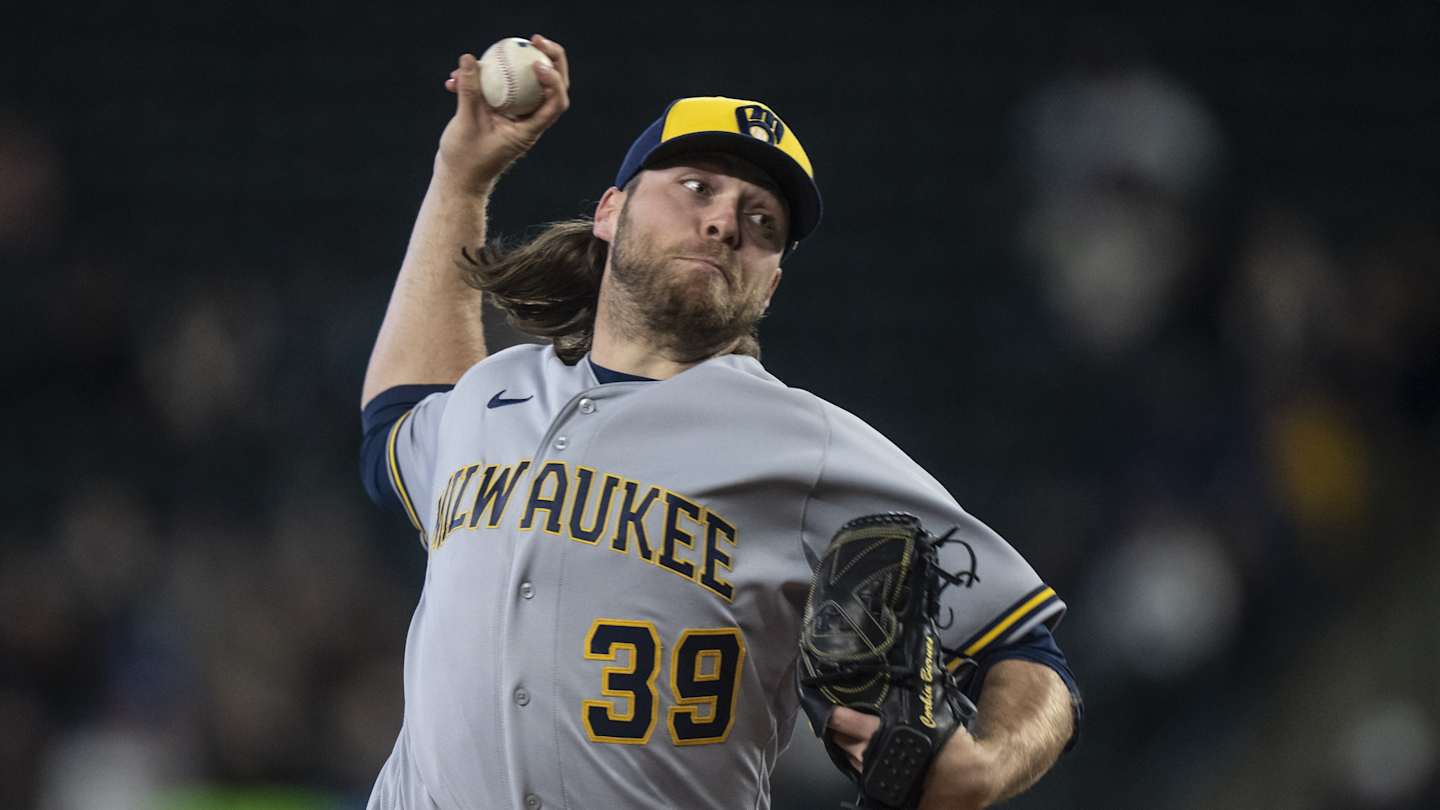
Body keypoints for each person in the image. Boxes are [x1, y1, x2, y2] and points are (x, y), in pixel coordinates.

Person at [358, 35, 1080, 810]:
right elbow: (396, 423)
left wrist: (988, 766)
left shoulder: (802, 442)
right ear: (610, 212)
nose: (725, 222)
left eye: (762, 221)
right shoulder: (494, 391)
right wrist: (462, 177)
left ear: (770, 287)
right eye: (696, 187)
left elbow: (1026, 648)